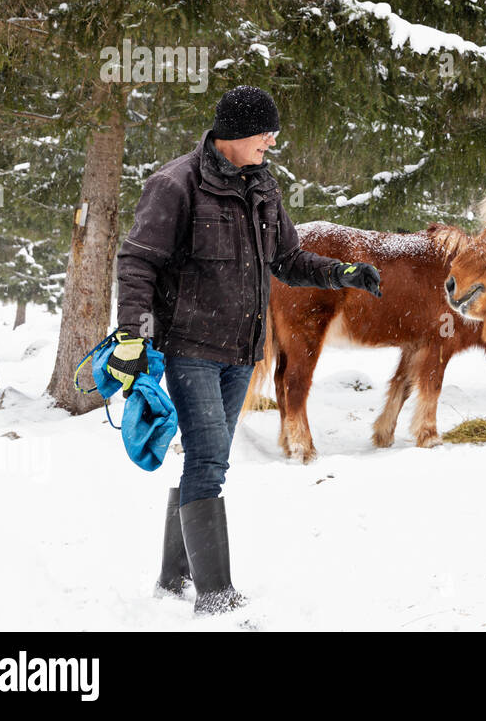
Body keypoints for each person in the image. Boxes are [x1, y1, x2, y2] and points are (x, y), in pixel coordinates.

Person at [109, 85, 381, 614]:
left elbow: (287, 259)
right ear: (234, 133)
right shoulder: (176, 184)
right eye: (265, 132)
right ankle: (216, 595)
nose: (272, 141)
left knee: (208, 461)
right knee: (209, 460)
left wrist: (339, 272)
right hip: (190, 346)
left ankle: (172, 579)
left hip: (240, 350)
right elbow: (137, 261)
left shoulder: (262, 185)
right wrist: (131, 334)